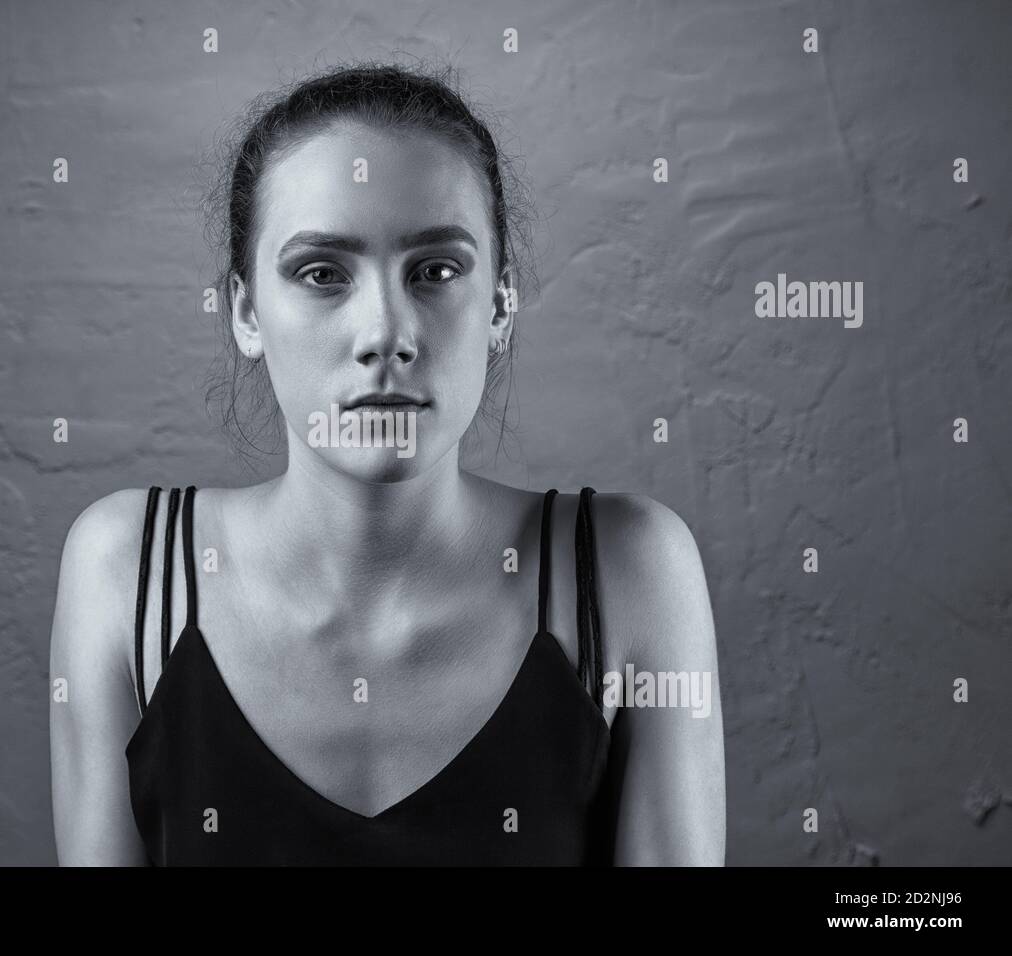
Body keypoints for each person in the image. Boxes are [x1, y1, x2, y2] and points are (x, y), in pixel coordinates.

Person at [50, 61, 724, 865]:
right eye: (322, 274)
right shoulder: (126, 573)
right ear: (244, 310)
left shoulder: (628, 571)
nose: (386, 333)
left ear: (501, 306)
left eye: (435, 271)